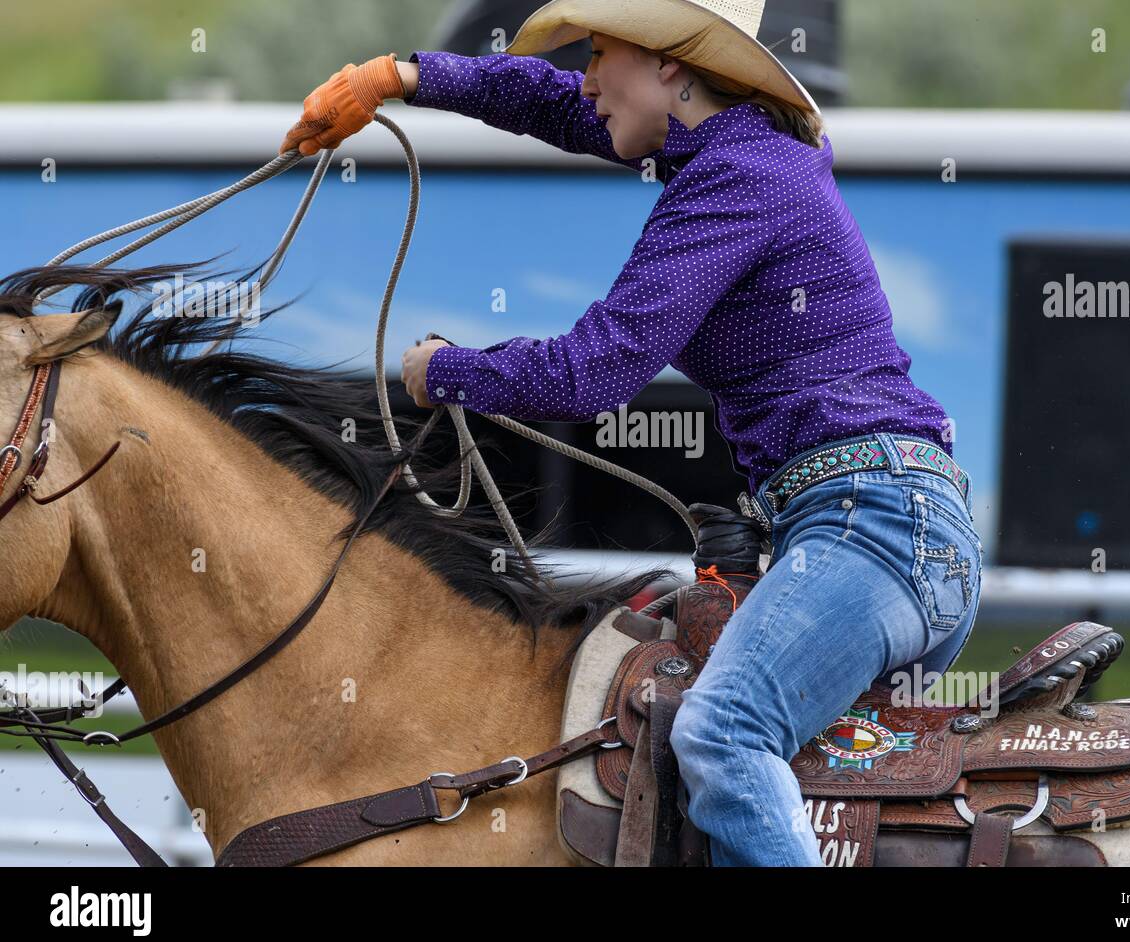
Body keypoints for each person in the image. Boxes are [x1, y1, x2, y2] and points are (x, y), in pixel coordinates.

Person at [280, 0, 983, 866]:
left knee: (723, 734)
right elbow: (550, 102)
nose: (584, 78)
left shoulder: (736, 177)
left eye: (600, 52)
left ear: (672, 67)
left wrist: (444, 372)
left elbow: (595, 369)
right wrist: (401, 78)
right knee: (745, 757)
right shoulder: (740, 153)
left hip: (866, 529)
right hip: (889, 528)